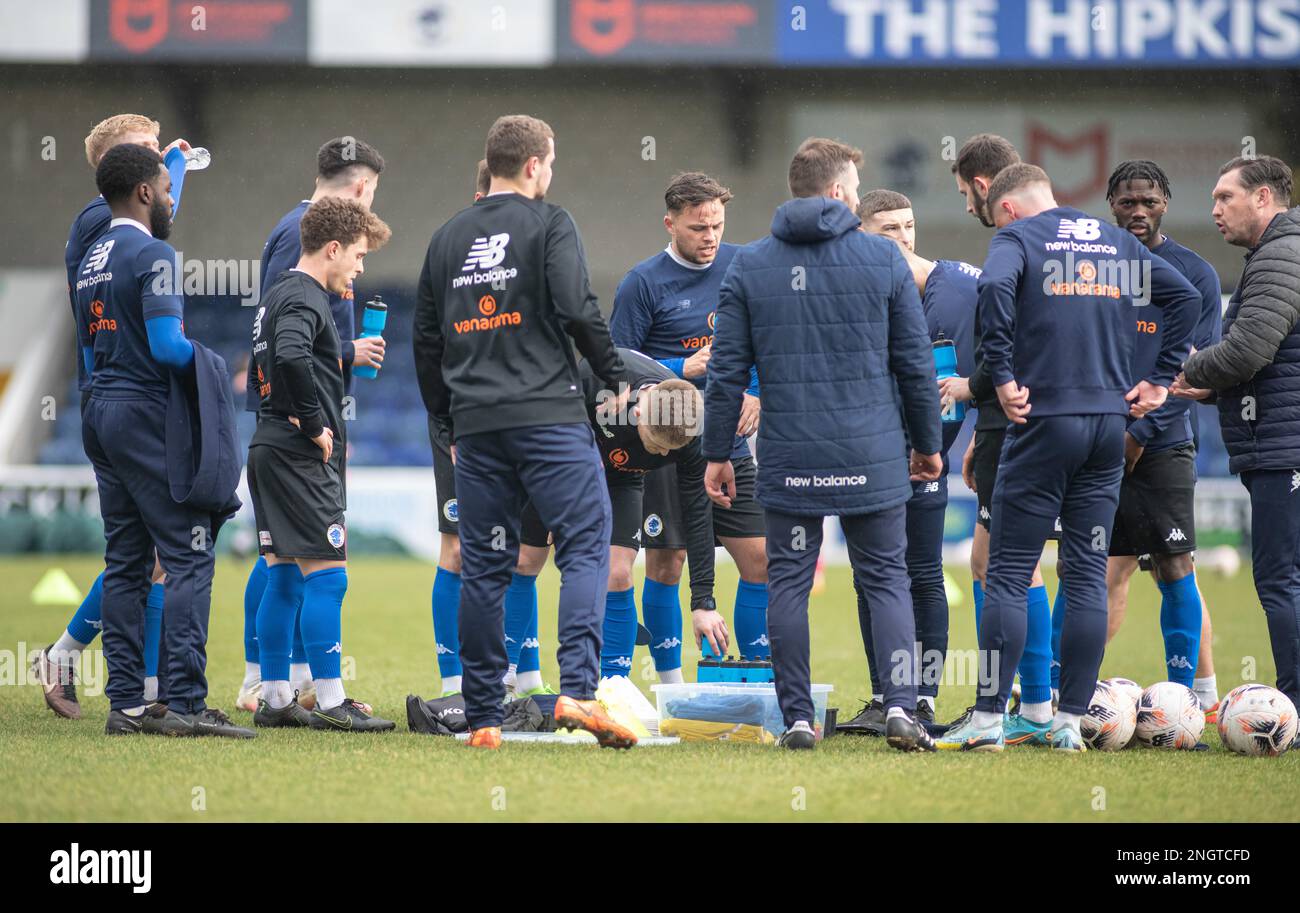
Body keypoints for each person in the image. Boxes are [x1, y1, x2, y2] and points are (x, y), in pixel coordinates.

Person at [938, 163, 1199, 752]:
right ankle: (1068, 722)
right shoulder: (1111, 240)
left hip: (1043, 421)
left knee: (1007, 570)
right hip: (1108, 427)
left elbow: (994, 289)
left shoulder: (1017, 238)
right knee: (1084, 573)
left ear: (1006, 207)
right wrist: (1158, 380)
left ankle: (986, 719)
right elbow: (1181, 295)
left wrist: (1000, 376)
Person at [703, 137, 943, 752]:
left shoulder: (749, 264)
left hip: (791, 457)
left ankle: (799, 721)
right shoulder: (884, 261)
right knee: (887, 579)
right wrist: (927, 443)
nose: (858, 198)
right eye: (856, 190)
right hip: (872, 453)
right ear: (838, 193)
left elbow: (727, 372)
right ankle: (898, 708)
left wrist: (716, 454)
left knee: (787, 583)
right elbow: (916, 365)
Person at [413, 114, 632, 749]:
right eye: (551, 163)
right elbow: (576, 306)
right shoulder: (550, 221)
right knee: (587, 543)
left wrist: (448, 418)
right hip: (549, 419)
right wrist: (614, 374)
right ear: (534, 165)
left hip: (477, 428)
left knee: (485, 565)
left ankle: (482, 716)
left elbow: (426, 341)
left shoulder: (447, 236)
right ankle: (579, 693)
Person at [76, 143, 250, 737]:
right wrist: (214, 363)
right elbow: (169, 348)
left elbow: (86, 349)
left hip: (97, 408)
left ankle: (125, 705)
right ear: (145, 193)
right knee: (189, 556)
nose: (173, 198)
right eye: (169, 189)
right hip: (142, 411)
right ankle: (185, 705)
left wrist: (171, 158)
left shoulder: (93, 256)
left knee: (124, 560)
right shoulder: (154, 253)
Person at [32, 114, 191, 720]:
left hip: (111, 395)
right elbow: (156, 221)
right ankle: (71, 657)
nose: (162, 158)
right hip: (119, 395)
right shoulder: (104, 220)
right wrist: (174, 166)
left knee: (143, 556)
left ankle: (144, 692)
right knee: (142, 555)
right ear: (129, 169)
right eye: (151, 152)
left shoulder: (106, 224)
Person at [237, 137, 387, 714]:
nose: (359, 267)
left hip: (273, 438)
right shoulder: (301, 278)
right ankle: (322, 696)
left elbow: (283, 340)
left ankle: (276, 692)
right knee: (324, 571)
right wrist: (315, 419)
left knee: (280, 567)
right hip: (298, 436)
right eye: (358, 256)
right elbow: (290, 350)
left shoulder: (293, 274)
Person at [609, 171, 767, 684]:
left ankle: (755, 678)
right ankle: (672, 688)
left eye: (718, 225)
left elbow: (767, 337)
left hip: (728, 437)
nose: (711, 236)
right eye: (699, 227)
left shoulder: (744, 265)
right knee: (668, 561)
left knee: (761, 558)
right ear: (670, 223)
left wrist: (757, 391)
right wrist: (681, 371)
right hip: (666, 441)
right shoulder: (643, 282)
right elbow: (617, 367)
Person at [839, 189, 975, 734]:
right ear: (859, 234)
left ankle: (922, 700)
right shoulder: (849, 290)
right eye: (887, 228)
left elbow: (986, 366)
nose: (902, 236)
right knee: (868, 577)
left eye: (909, 225)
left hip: (927, 458)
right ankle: (882, 698)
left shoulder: (959, 287)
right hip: (865, 455)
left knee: (923, 575)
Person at [1175, 155, 1300, 730]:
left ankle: (1296, 709)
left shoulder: (1280, 255)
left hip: (1287, 449)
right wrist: (1210, 388)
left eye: (1226, 196)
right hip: (1279, 442)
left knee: (1281, 578)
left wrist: (1191, 371)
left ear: (1265, 198)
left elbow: (1249, 351)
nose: (1215, 208)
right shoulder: (1271, 256)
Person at [945, 135, 1059, 743]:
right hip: (1048, 423)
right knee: (1002, 563)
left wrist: (971, 387)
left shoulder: (1012, 244)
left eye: (966, 194)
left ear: (986, 188)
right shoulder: (1076, 242)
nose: (967, 207)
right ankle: (1036, 705)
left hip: (1021, 424)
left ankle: (1025, 708)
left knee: (1009, 566)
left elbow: (1003, 341)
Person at [427, 158, 552, 702]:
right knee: (458, 550)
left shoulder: (531, 247)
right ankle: (457, 683)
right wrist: (447, 421)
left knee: (527, 552)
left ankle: (525, 674)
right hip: (465, 420)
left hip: (526, 417)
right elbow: (430, 339)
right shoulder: (455, 247)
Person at [1103, 160, 1223, 720]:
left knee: (1175, 565)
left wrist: (1141, 434)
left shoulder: (1193, 273)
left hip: (1166, 442)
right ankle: (1056, 690)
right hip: (1100, 439)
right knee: (1095, 570)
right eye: (1127, 201)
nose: (1138, 211)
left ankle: (1187, 702)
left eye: (1148, 201)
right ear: (1110, 205)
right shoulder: (1095, 265)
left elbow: (1193, 369)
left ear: (1166, 204)